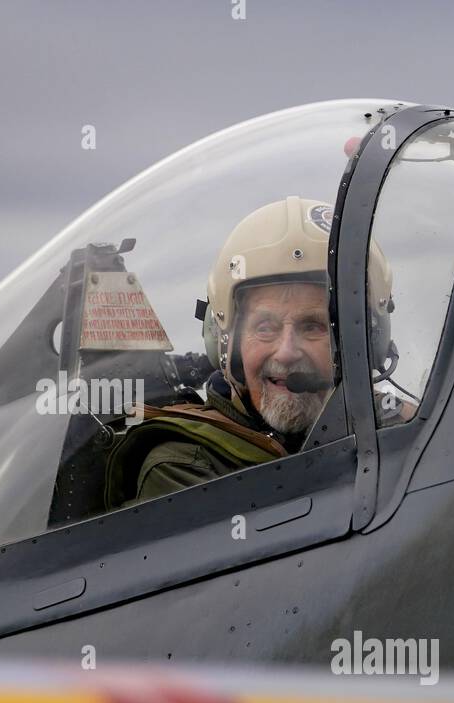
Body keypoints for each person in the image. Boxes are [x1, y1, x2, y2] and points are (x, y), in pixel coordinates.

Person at [104, 196, 401, 508]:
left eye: (314, 326)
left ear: (365, 340)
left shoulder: (399, 430)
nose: (286, 353)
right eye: (265, 328)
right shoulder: (185, 468)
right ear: (226, 345)